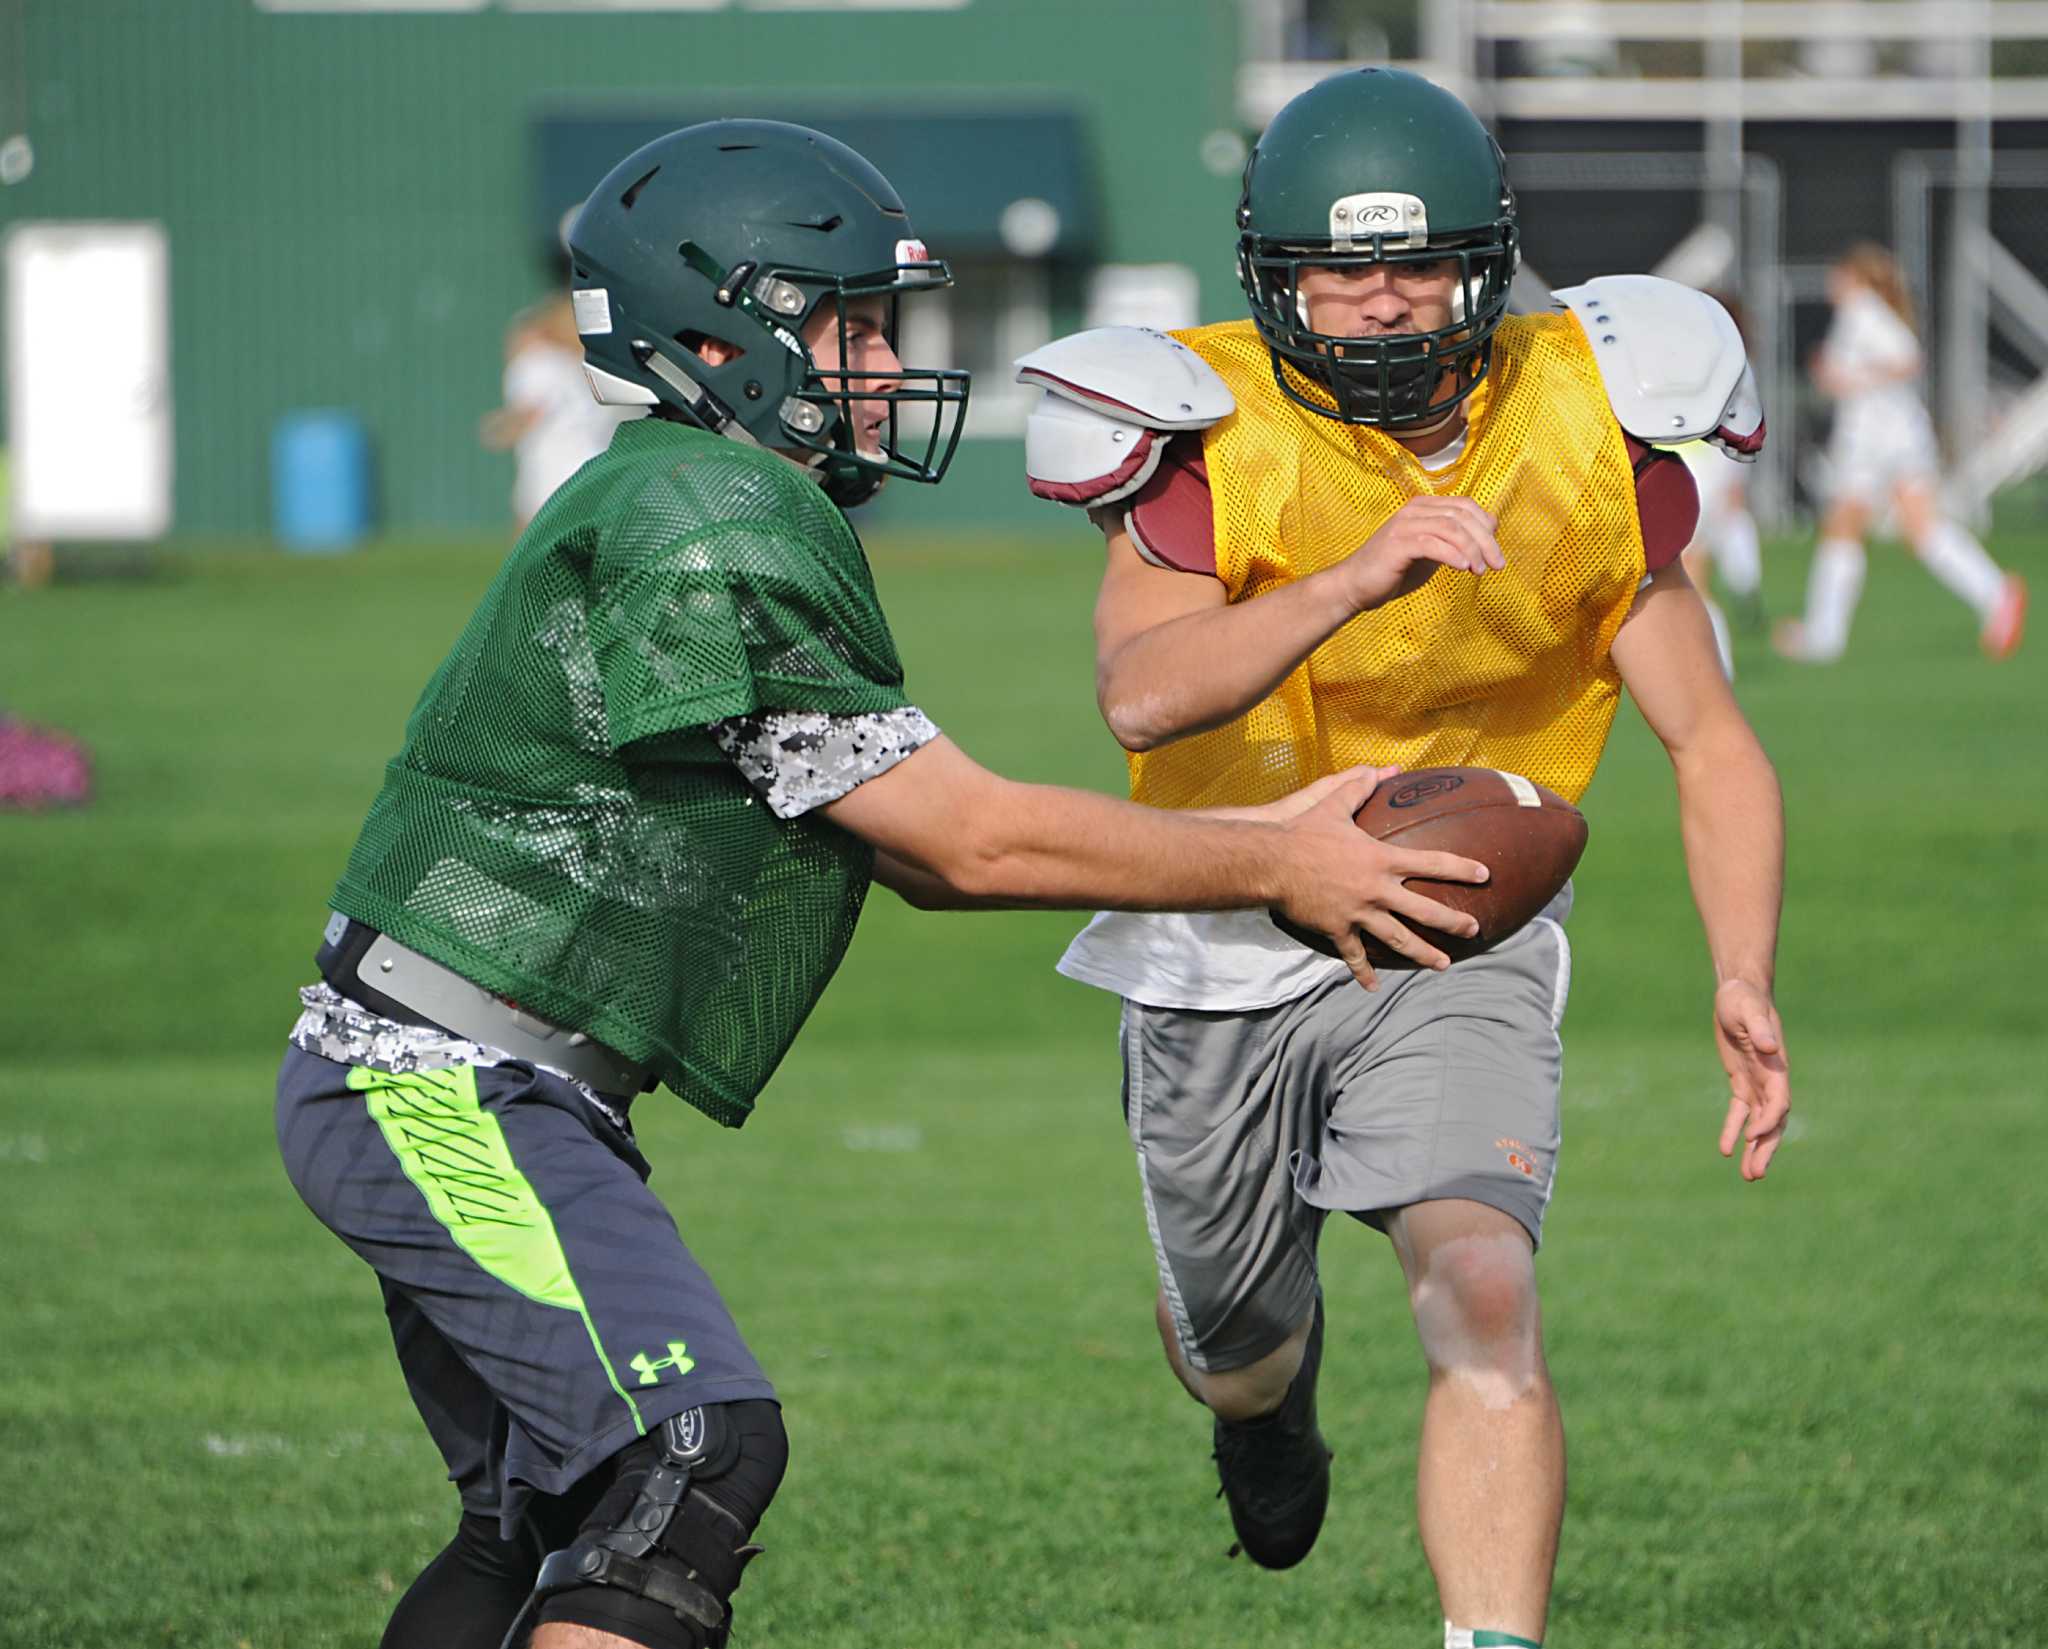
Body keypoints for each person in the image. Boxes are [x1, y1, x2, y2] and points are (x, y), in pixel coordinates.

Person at [274, 119, 1494, 1649]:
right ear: (717, 335)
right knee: (689, 1458)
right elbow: (964, 836)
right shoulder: (703, 519)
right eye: (843, 324)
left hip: (462, 1067)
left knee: (546, 1517)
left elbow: (926, 862)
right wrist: (1284, 859)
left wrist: (1268, 860)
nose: (877, 362)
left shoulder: (687, 489)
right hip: (442, 1075)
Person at [1015, 68, 1791, 1649]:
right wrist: (1353, 578)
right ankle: (1263, 1410)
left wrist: (1740, 972)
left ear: (1486, 262)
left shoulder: (1588, 414)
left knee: (1486, 1290)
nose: (1381, 305)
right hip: (1220, 927)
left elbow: (1709, 741)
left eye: (1417, 265)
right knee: (1236, 1338)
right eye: (1341, 272)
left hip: (1455, 918)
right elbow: (1141, 693)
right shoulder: (1204, 422)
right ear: (1272, 277)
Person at [1773, 241, 2026, 663]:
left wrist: (1849, 376)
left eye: (1839, 275)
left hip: (1874, 439)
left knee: (1842, 528)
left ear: (1854, 278)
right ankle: (1996, 593)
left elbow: (1906, 359)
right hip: (1902, 434)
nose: (1833, 283)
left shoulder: (1862, 310)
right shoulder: (1869, 313)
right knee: (1921, 530)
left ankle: (1824, 637)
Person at [480, 282, 637, 532]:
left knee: (527, 552)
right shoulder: (583, 364)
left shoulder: (534, 364)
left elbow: (529, 413)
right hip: (591, 465)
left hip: (550, 469)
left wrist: (498, 429)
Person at [1676, 295, 1766, 678]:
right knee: (1691, 576)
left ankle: (1719, 673)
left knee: (1690, 578)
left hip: (1698, 476)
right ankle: (1714, 670)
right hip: (1711, 475)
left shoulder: (1703, 361)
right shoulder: (1739, 365)